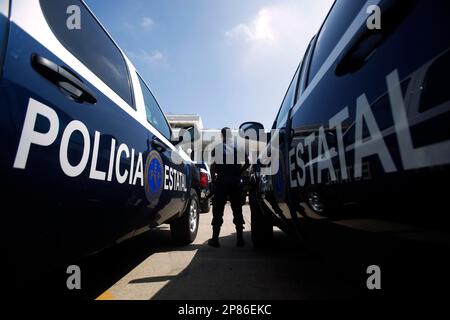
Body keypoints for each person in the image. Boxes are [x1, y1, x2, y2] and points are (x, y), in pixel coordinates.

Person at [208, 127, 250, 248]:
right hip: (236, 183)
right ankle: (240, 239)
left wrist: (214, 179)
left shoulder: (218, 148)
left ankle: (215, 239)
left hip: (221, 183)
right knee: (237, 211)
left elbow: (213, 166)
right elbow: (248, 162)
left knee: (217, 212)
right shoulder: (240, 147)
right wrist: (239, 172)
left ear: (222, 135)